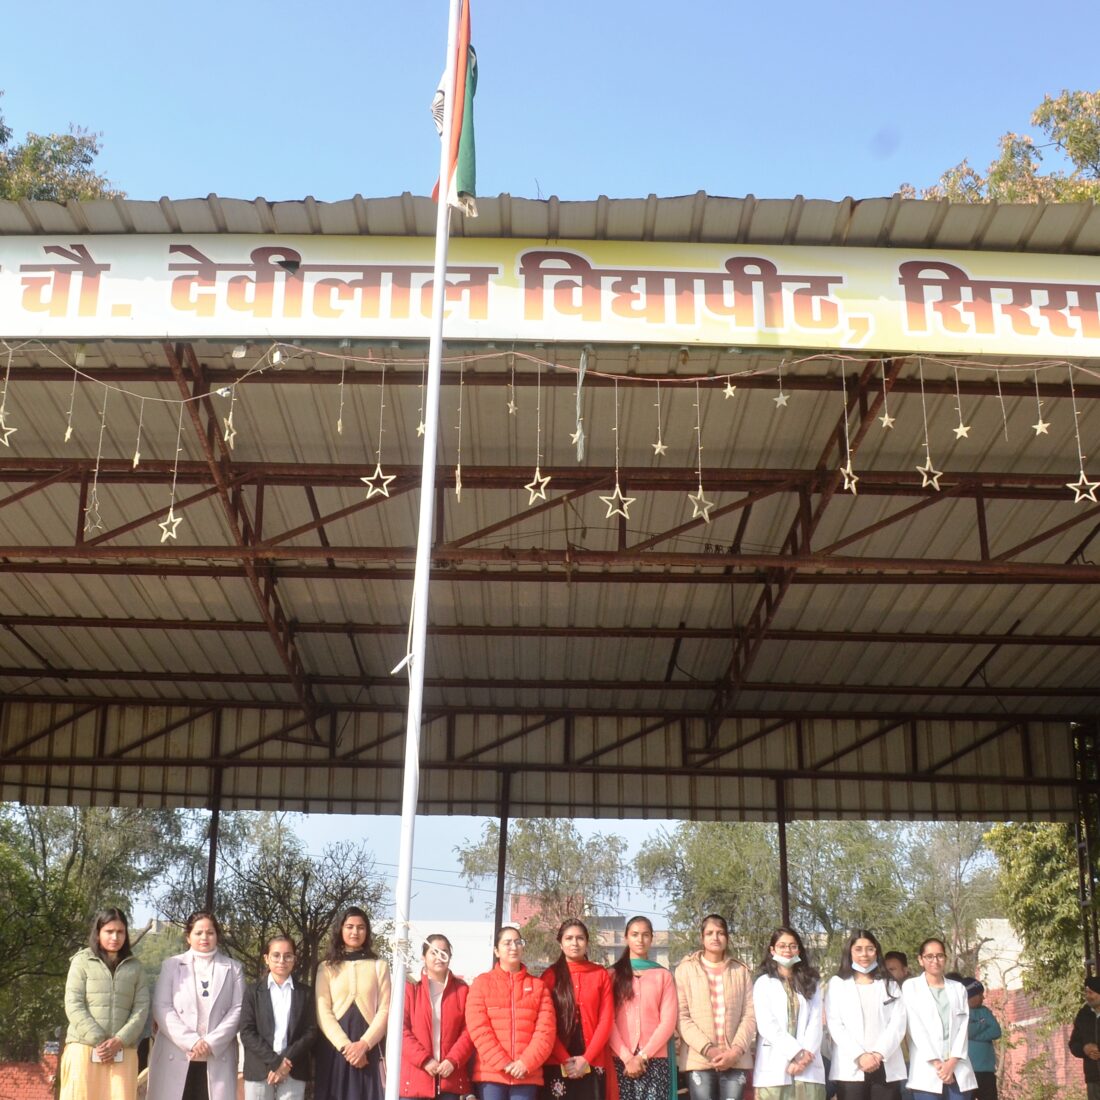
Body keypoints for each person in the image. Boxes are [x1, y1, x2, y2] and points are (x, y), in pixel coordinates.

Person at [148, 909, 245, 1100]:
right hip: (176, 1052)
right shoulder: (171, 965)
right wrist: (191, 1041)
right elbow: (162, 1007)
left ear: (217, 935)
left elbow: (238, 1009)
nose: (204, 937)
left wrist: (210, 1042)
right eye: (198, 933)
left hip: (217, 1054)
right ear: (188, 937)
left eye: (210, 932)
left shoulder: (233, 968)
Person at [59, 907, 150, 1100]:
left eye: (120, 931)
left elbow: (141, 1010)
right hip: (84, 1048)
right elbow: (73, 1003)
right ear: (98, 932)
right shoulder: (81, 962)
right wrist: (99, 1040)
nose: (115, 937)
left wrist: (119, 1041)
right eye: (109, 931)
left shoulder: (136, 967)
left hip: (123, 1051)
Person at [465, 924, 556, 1100]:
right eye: (507, 943)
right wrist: (504, 1063)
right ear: (496, 951)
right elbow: (479, 1029)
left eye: (518, 942)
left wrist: (525, 1063)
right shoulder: (481, 984)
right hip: (491, 1075)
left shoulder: (538, 986)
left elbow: (546, 1031)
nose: (513, 947)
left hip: (526, 1074)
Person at [675, 914, 756, 1100]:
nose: (715, 937)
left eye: (720, 933)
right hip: (700, 1059)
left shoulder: (740, 971)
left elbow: (749, 1015)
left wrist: (734, 1052)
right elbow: (682, 1017)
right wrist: (709, 1050)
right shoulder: (685, 970)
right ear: (701, 937)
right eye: (710, 933)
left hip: (735, 1060)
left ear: (727, 937)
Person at [315, 906, 391, 1100]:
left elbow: (384, 1009)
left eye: (360, 927)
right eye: (349, 926)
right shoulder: (326, 967)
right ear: (340, 929)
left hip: (370, 1049)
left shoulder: (379, 965)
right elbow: (323, 1011)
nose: (355, 932)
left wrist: (364, 1045)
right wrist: (346, 1047)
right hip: (335, 1049)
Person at [823, 929, 907, 1100]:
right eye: (858, 949)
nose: (864, 954)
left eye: (870, 949)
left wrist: (878, 1054)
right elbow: (835, 1024)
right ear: (850, 952)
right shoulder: (837, 984)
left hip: (885, 1064)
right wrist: (860, 1056)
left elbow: (898, 1023)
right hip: (851, 1065)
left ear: (876, 952)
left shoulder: (889, 984)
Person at [540, 919, 616, 1100]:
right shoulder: (550, 977)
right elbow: (545, 1025)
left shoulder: (600, 974)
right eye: (569, 938)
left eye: (580, 938)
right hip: (557, 1062)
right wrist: (566, 1060)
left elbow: (606, 1021)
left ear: (587, 943)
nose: (574, 943)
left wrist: (586, 1059)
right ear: (560, 943)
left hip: (592, 1060)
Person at [607, 916, 678, 1100]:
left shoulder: (663, 976)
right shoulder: (612, 975)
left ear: (652, 939)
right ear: (626, 938)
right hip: (620, 1061)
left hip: (654, 1060)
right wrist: (627, 1057)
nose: (640, 940)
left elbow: (668, 1022)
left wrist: (642, 1057)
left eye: (645, 935)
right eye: (635, 934)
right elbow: (608, 1021)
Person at [239, 934, 317, 1100]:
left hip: (293, 1069)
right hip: (259, 1069)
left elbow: (310, 1032)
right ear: (266, 958)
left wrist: (286, 1061)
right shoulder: (253, 992)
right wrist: (276, 1063)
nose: (282, 960)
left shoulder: (306, 993)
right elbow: (247, 1032)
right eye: (276, 955)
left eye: (288, 956)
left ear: (294, 959)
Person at [753, 926, 825, 1100]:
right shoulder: (763, 983)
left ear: (798, 950)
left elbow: (815, 1022)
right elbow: (767, 1025)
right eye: (782, 946)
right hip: (774, 1066)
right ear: (772, 950)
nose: (787, 950)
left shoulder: (811, 982)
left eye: (792, 946)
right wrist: (796, 1053)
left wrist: (805, 1057)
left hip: (808, 1067)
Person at [900, 938, 976, 1100]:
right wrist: (938, 1065)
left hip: (957, 1066)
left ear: (945, 959)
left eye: (940, 956)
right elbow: (915, 1028)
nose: (935, 961)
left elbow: (963, 1027)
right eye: (929, 956)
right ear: (921, 959)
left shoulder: (958, 989)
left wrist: (952, 1063)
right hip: (927, 1068)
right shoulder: (911, 987)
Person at [400, 934, 475, 1100]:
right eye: (433, 952)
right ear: (423, 957)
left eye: (444, 952)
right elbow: (401, 1031)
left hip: (450, 1078)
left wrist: (453, 1060)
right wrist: (424, 1060)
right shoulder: (410, 988)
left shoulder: (462, 990)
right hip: (415, 1078)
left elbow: (470, 1031)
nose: (439, 957)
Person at [962, 980, 999, 1100]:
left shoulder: (985, 1011)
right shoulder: (961, 1013)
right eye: (980, 994)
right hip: (967, 1070)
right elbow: (966, 1031)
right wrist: (982, 1024)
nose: (983, 997)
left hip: (987, 1071)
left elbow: (996, 1031)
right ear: (970, 995)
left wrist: (974, 1035)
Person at [1068, 976, 1100, 1100]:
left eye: (1091, 992)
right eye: (1086, 992)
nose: (1088, 996)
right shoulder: (1083, 1015)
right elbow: (1073, 1044)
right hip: (1093, 1079)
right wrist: (1084, 1049)